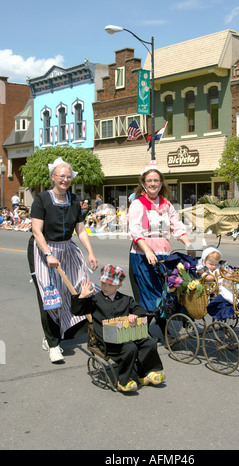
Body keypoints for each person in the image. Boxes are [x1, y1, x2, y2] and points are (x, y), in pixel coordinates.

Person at [27, 157, 98, 364]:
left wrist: (90, 252)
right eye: (61, 176)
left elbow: (81, 229)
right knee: (50, 297)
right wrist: (48, 254)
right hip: (44, 249)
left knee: (76, 290)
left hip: (67, 248)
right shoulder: (42, 199)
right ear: (53, 177)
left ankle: (58, 333)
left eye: (68, 177)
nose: (65, 180)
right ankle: (53, 344)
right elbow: (36, 231)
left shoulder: (74, 200)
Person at [71, 264, 165, 393]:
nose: (105, 287)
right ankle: (124, 380)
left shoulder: (126, 299)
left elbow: (140, 309)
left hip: (127, 335)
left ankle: (146, 373)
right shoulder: (95, 300)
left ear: (118, 286)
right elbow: (77, 311)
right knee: (130, 348)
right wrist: (82, 296)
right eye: (103, 283)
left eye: (110, 285)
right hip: (107, 340)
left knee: (149, 343)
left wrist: (135, 314)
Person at [128, 163, 195, 338]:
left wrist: (188, 244)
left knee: (165, 292)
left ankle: (146, 331)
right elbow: (135, 230)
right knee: (151, 294)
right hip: (143, 254)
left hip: (164, 254)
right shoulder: (138, 204)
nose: (153, 184)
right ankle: (162, 333)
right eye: (149, 180)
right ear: (143, 183)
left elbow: (176, 226)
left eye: (156, 180)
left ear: (161, 183)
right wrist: (148, 250)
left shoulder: (167, 205)